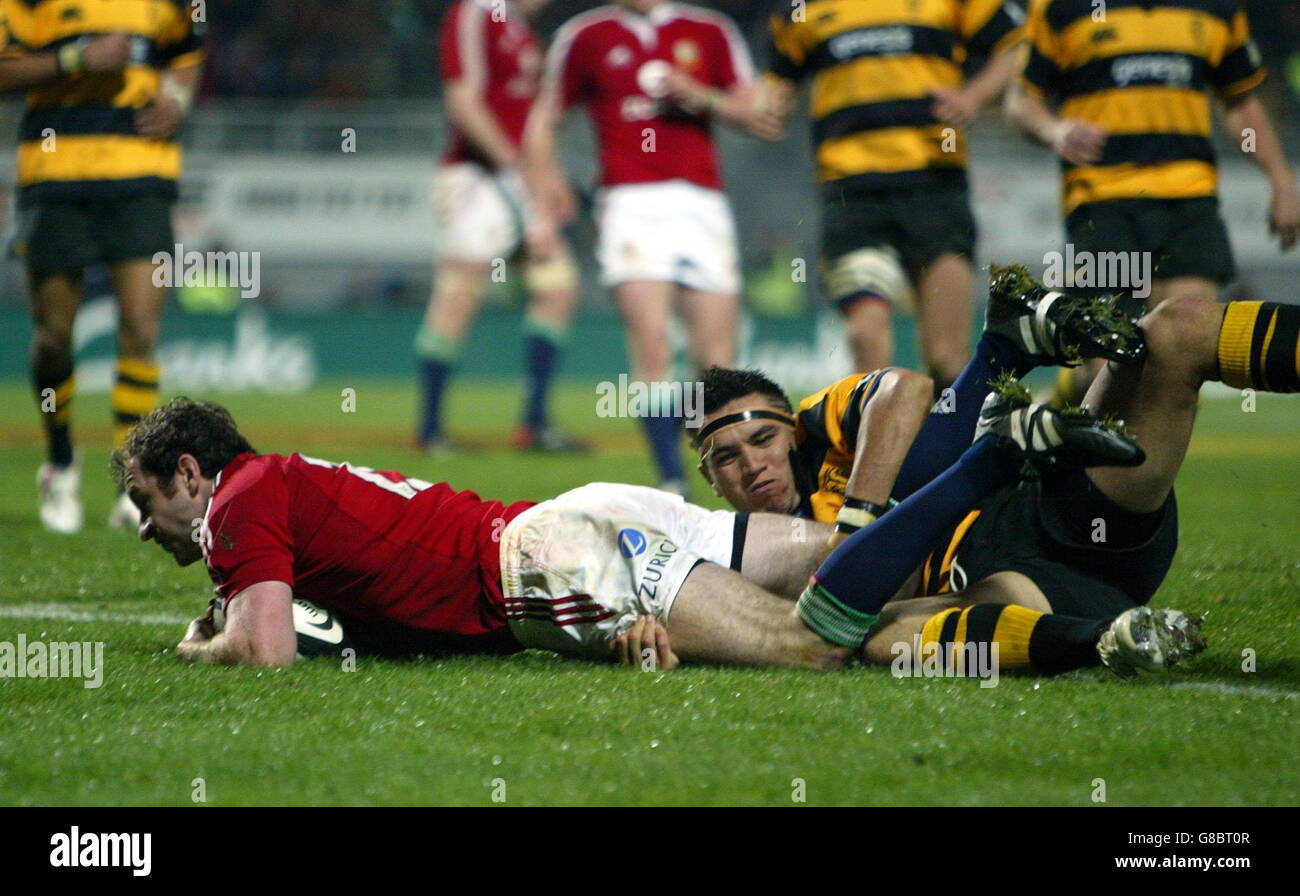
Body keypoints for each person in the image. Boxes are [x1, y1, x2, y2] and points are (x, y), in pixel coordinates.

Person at [113, 381, 1174, 679]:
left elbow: (263, 650)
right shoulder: (287, 480)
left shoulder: (241, 503)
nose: (148, 526)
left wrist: (197, 639)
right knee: (834, 572)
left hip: (540, 567)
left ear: (190, 471)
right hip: (570, 521)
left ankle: (992, 453)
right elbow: (337, 623)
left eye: (148, 499)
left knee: (815, 639)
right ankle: (999, 436)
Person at [693, 267, 1300, 674]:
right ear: (709, 481)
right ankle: (1109, 640)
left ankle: (1004, 366)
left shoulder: (815, 427)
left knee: (1175, 328)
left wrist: (852, 536)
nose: (753, 465)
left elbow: (903, 390)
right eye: (726, 458)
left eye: (761, 439)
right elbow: (807, 623)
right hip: (1017, 590)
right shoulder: (738, 551)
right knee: (873, 639)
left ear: (786, 428)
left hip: (1052, 505)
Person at [523, 0, 774, 497]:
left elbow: (758, 113)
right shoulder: (585, 34)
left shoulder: (710, 30)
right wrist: (543, 201)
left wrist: (698, 93)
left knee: (718, 363)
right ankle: (672, 484)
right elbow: (542, 121)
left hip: (702, 206)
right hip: (630, 205)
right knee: (652, 347)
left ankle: (722, 481)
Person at [1004, 0, 1300, 403]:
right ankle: (1061, 400)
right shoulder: (1060, 8)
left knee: (1183, 352)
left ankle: (1144, 465)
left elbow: (1240, 102)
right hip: (1103, 202)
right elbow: (1021, 101)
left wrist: (1282, 180)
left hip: (1189, 202)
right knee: (1105, 368)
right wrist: (1053, 129)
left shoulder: (1219, 8)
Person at [0, 0, 204, 533]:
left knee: (140, 330)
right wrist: (75, 59)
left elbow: (188, 52)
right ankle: (62, 462)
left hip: (142, 175)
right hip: (54, 175)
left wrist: (177, 99)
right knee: (53, 337)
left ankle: (133, 483)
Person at [753, 0, 1028, 389]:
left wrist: (974, 96)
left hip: (935, 187)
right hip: (852, 195)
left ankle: (943, 448)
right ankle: (879, 446)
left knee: (949, 363)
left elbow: (1017, 43)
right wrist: (765, 104)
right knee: (866, 340)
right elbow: (776, 81)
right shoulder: (803, 10)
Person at [418, 0, 584, 455]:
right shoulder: (474, 12)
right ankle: (429, 432)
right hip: (475, 177)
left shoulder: (521, 31)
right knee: (458, 295)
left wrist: (549, 182)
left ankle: (533, 424)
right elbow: (463, 103)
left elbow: (531, 124)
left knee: (558, 287)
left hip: (518, 179)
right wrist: (519, 178)